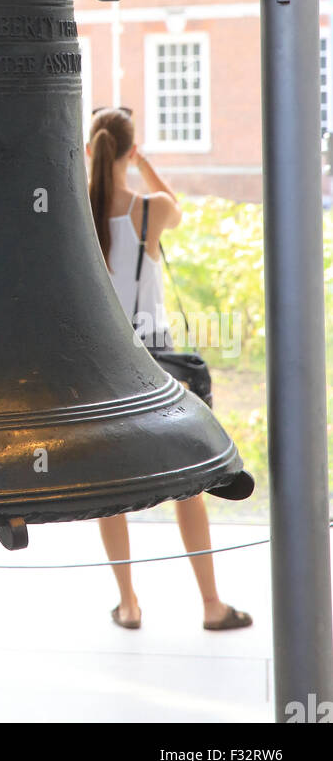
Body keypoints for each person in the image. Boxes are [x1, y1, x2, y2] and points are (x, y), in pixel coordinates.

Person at [86, 106, 252, 633]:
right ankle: (210, 605)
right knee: (188, 484)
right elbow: (177, 206)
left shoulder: (75, 219)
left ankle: (129, 603)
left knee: (110, 491)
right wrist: (145, 166)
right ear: (131, 152)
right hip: (157, 366)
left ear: (90, 151)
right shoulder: (150, 211)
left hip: (102, 367)